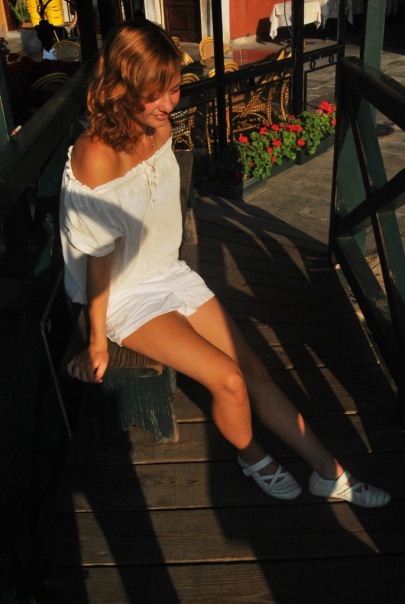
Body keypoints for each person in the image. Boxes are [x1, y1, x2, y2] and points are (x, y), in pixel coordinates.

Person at [59, 18, 390, 509]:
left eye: (173, 89)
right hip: (123, 294)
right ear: (122, 88)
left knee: (252, 368)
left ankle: (331, 473)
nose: (168, 104)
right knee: (228, 379)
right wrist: (95, 341)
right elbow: (98, 258)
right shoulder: (95, 155)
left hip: (165, 271)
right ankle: (253, 457)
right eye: (154, 94)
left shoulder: (159, 127)